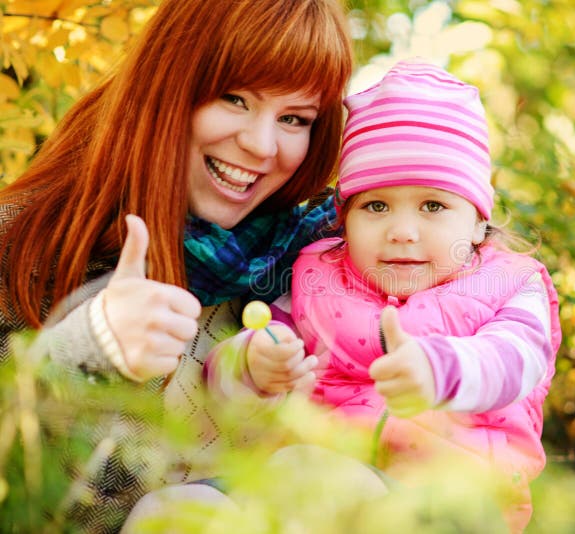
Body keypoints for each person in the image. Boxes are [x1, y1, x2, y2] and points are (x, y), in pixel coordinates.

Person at [0, 0, 352, 531]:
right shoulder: (25, 238)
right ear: (171, 84)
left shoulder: (298, 272)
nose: (260, 144)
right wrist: (87, 355)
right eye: (235, 99)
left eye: (294, 118)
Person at [204, 60, 562, 532]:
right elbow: (258, 352)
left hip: (450, 497)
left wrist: (440, 370)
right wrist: (253, 364)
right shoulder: (317, 277)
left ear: (478, 220)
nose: (403, 232)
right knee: (196, 502)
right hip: (309, 479)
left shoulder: (510, 283)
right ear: (345, 218)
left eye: (433, 205)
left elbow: (518, 359)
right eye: (375, 206)